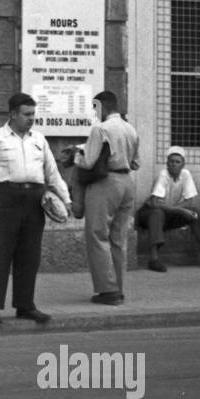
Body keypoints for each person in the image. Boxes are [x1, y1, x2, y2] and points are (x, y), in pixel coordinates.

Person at [0, 93, 70, 325]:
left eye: (33, 114)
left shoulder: (39, 139)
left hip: (34, 200)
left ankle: (25, 305)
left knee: (29, 256)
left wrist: (66, 199)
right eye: (26, 114)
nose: (31, 119)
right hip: (4, 198)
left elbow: (52, 171)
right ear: (13, 114)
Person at [81, 90, 139, 305]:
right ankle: (119, 288)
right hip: (127, 182)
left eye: (95, 108)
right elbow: (136, 163)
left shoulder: (101, 129)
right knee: (118, 239)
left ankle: (107, 290)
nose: (95, 113)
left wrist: (75, 155)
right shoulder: (130, 129)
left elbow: (88, 162)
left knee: (97, 234)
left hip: (106, 183)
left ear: (102, 107)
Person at [135, 146, 200, 272]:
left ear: (183, 164)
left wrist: (179, 210)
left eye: (177, 162)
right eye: (171, 161)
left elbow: (189, 201)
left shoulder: (186, 174)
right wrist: (180, 210)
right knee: (157, 213)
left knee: (194, 212)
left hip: (168, 214)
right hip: (148, 214)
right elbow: (155, 203)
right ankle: (154, 260)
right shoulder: (163, 175)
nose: (174, 164)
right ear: (167, 163)